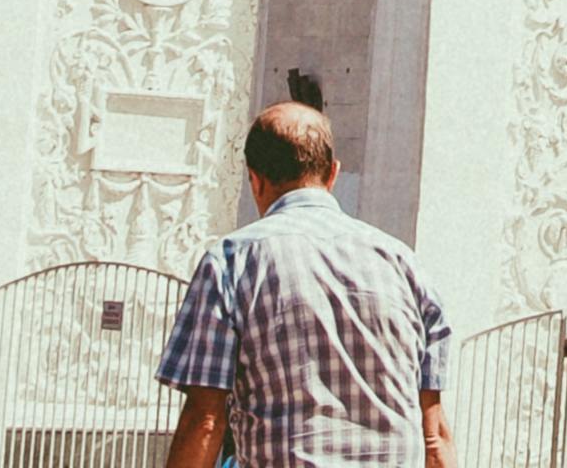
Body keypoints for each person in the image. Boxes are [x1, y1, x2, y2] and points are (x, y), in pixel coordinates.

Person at [157, 100, 454, 468]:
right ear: (332, 174)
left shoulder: (232, 261)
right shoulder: (404, 265)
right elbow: (434, 435)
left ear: (255, 179)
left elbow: (205, 420)